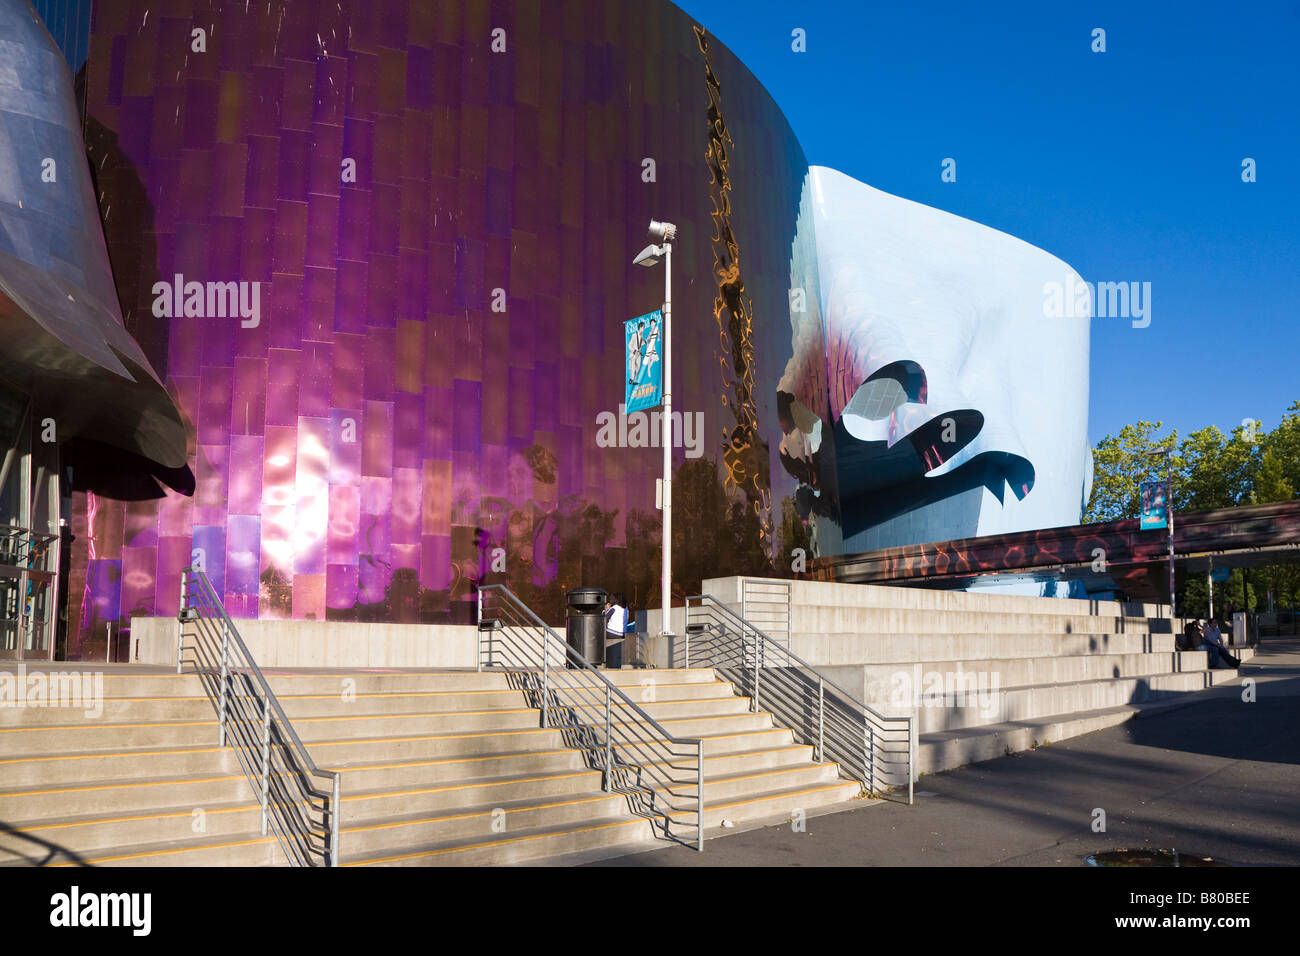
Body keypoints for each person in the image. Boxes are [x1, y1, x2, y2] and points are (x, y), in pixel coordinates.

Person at [604, 593, 628, 667]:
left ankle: (601, 658)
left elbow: (603, 617)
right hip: (622, 634)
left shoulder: (614, 608)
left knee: (597, 633)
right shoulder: (626, 608)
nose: (610, 600)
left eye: (611, 599)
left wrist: (606, 609)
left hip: (612, 633)